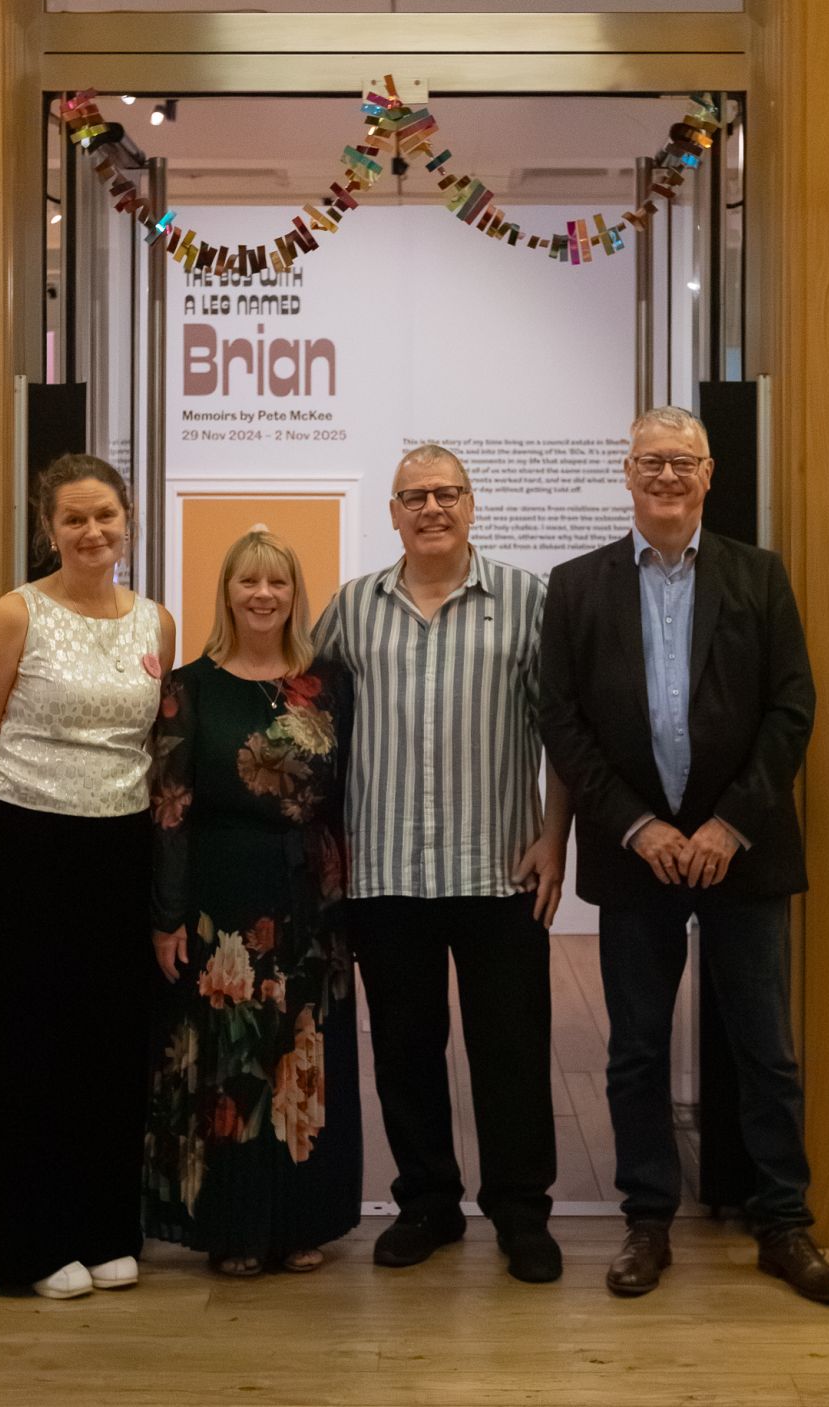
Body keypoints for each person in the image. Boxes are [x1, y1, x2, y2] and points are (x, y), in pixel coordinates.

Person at [539, 405, 829, 1306]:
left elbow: (793, 707)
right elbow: (563, 720)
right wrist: (640, 826)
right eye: (651, 462)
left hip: (741, 853)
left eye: (684, 461)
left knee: (765, 1047)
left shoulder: (759, 576)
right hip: (635, 853)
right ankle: (647, 1222)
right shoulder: (578, 585)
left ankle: (783, 1223)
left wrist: (727, 826)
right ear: (626, 474)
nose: (667, 476)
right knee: (635, 1049)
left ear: (710, 475)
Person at [313, 444, 571, 1285]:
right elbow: (311, 729)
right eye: (414, 495)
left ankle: (522, 1211)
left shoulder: (528, 601)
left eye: (447, 492)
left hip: (500, 868)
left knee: (512, 1048)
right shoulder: (353, 609)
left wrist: (553, 836)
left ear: (472, 504)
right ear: (392, 512)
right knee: (404, 1046)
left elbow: (562, 735)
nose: (431, 507)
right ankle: (427, 1201)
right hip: (386, 872)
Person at [0, 453, 175, 1299]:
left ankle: (104, 1227)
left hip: (120, 847)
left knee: (110, 1043)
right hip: (25, 848)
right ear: (48, 528)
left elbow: (153, 745)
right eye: (74, 518)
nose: (92, 532)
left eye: (106, 517)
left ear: (129, 524)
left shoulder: (157, 621)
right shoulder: (15, 616)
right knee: (24, 1046)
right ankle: (28, 1244)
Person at [143, 530, 360, 1275]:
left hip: (310, 895)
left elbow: (346, 797)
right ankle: (233, 1227)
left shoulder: (330, 683)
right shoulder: (189, 686)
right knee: (230, 1061)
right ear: (227, 592)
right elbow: (169, 807)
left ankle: (302, 1221)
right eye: (248, 582)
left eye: (278, 582)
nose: (263, 595)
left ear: (296, 594)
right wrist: (167, 915)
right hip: (222, 893)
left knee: (303, 1055)